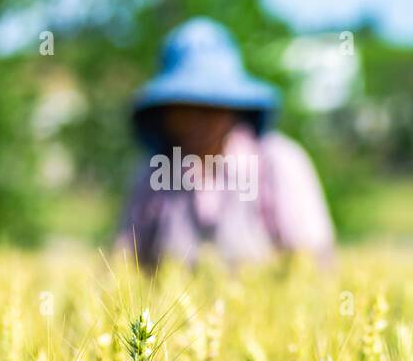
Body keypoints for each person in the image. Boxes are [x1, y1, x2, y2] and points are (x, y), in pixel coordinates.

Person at [116, 18, 335, 269]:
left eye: (210, 108)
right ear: (164, 114)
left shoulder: (277, 162)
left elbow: (312, 264)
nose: (195, 121)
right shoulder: (153, 174)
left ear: (234, 108)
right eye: (182, 109)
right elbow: (123, 267)